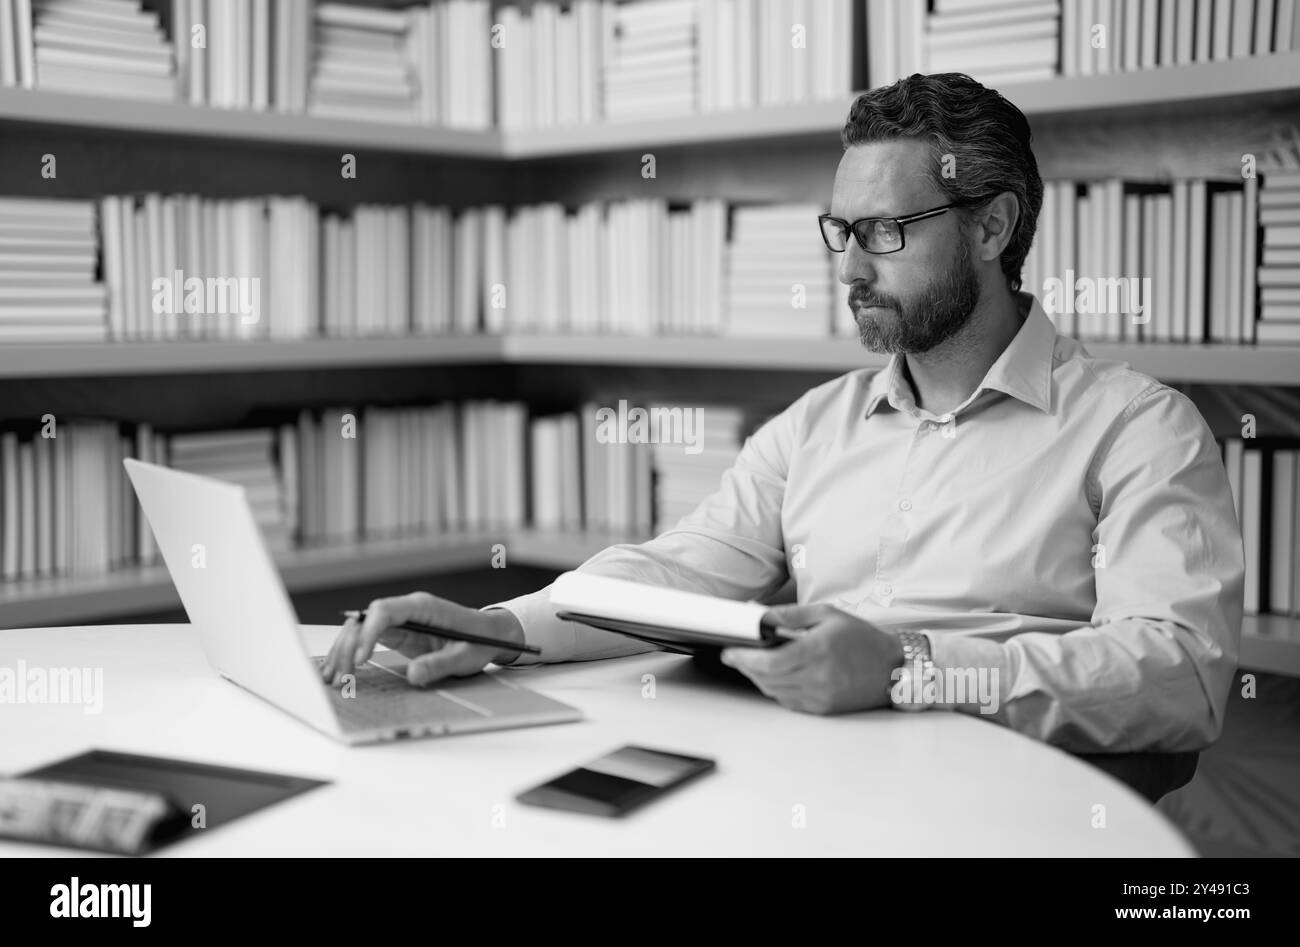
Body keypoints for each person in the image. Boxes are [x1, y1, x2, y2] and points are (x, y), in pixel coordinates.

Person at [322, 73, 1243, 756]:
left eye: (884, 232)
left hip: (1010, 810)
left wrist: (909, 664)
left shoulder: (1138, 427)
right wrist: (492, 628)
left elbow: (1182, 674)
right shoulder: (816, 425)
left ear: (993, 227)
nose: (849, 270)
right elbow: (673, 575)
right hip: (821, 777)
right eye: (839, 232)